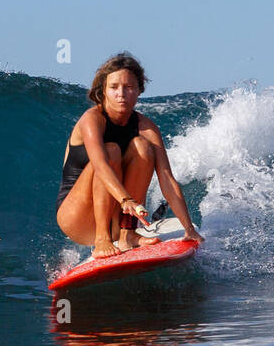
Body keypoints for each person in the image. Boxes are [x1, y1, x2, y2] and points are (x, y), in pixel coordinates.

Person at [56, 52, 203, 258]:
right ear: (103, 91)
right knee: (111, 151)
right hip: (76, 218)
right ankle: (101, 240)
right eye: (114, 87)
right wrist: (126, 200)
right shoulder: (92, 119)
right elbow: (100, 165)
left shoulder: (147, 127)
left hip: (117, 217)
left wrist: (189, 228)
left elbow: (167, 179)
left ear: (139, 90)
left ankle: (128, 234)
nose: (121, 94)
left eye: (129, 87)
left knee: (142, 147)